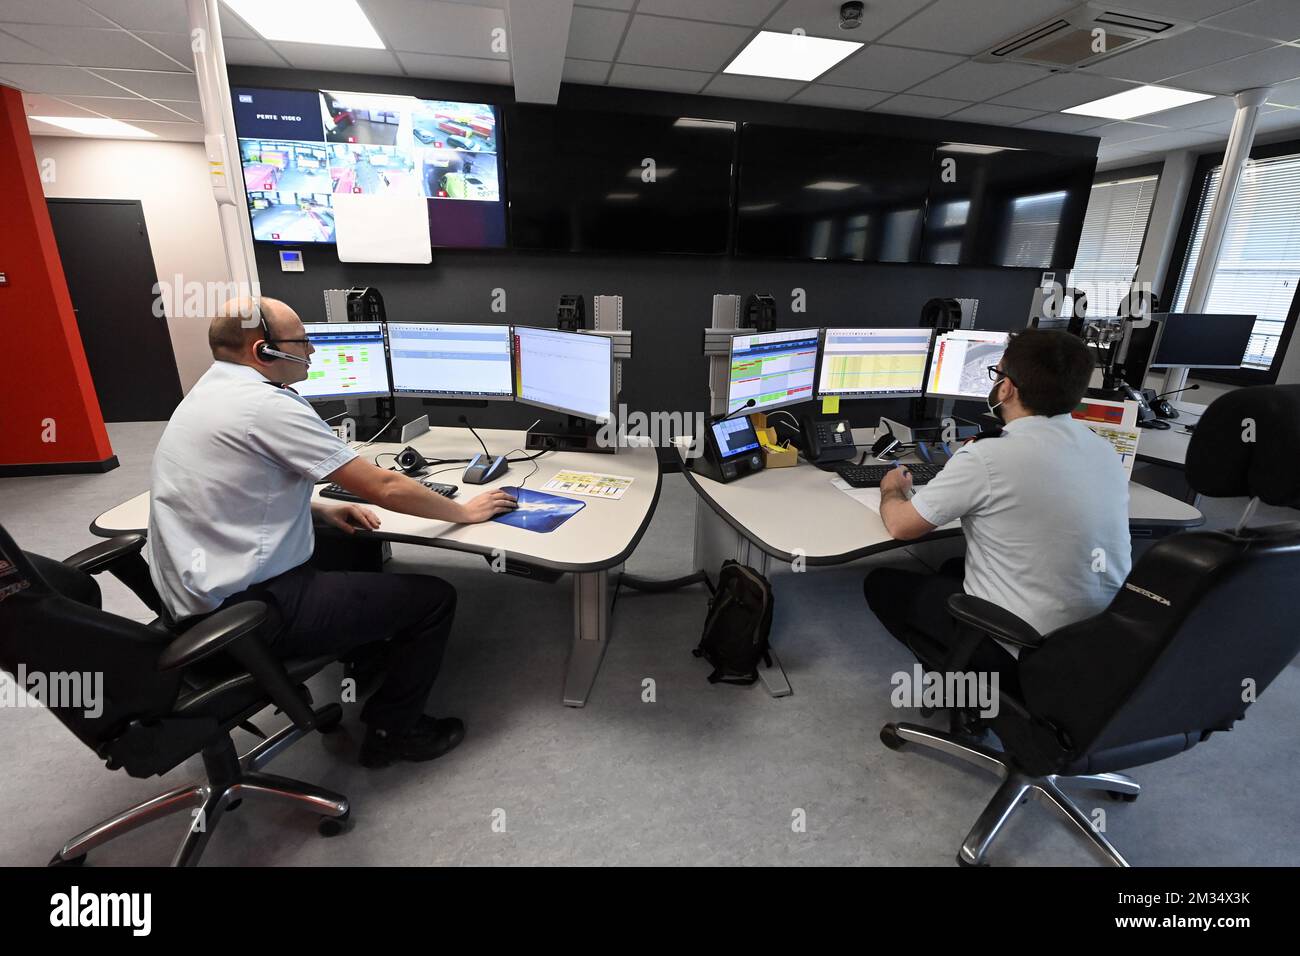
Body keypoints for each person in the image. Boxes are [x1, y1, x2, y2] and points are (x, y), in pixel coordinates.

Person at [144, 297, 516, 768]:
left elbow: (235, 492)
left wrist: (318, 508)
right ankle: (394, 731)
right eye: (304, 342)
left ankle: (368, 657)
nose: (314, 353)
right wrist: (464, 511)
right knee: (434, 599)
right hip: (250, 610)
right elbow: (383, 485)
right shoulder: (264, 407)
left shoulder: (211, 391)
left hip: (196, 596)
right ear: (265, 350)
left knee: (350, 541)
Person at [865, 329, 1131, 679]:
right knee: (950, 567)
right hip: (1100, 635)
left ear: (1006, 388)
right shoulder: (1102, 449)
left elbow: (902, 526)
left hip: (1026, 646)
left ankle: (967, 684)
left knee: (880, 583)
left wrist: (890, 489)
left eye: (997, 374)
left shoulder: (988, 456)